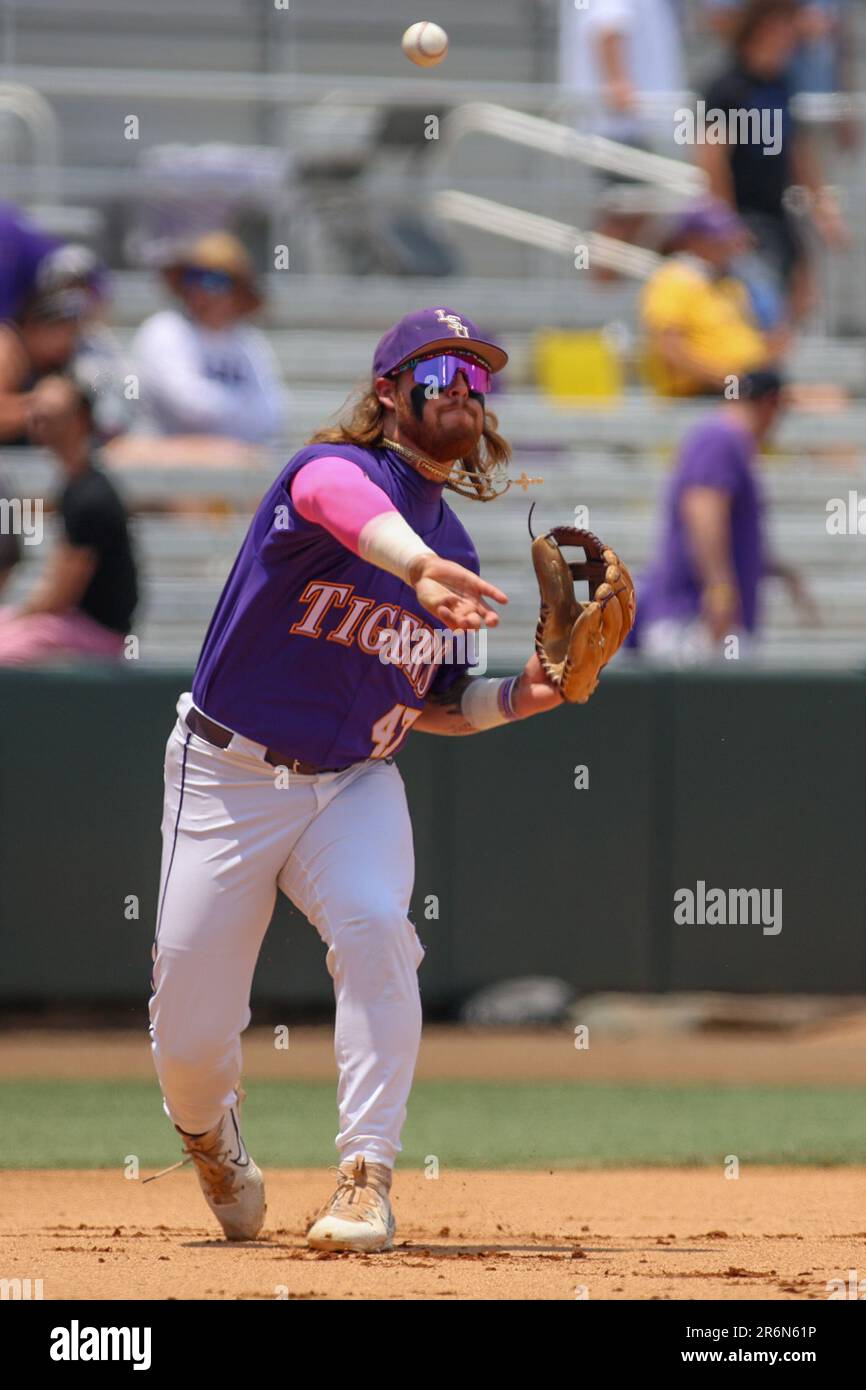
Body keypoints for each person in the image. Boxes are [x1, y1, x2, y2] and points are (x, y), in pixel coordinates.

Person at [148, 307, 585, 1253]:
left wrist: (525, 694)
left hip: (351, 783)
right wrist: (414, 564)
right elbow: (349, 510)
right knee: (189, 1034)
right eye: (439, 375)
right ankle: (209, 1135)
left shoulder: (458, 553)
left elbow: (435, 699)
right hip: (226, 774)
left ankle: (366, 1176)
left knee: (379, 929)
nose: (463, 392)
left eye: (477, 379)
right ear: (387, 394)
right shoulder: (326, 473)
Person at [634, 370, 815, 662]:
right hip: (695, 618)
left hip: (701, 618)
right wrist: (719, 590)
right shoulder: (720, 437)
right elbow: (703, 509)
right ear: (770, 404)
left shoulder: (725, 440)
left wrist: (778, 571)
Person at [699, 0, 849, 323]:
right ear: (764, 30)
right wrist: (726, 221)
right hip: (742, 213)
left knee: (800, 291)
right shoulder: (727, 88)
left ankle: (770, 365)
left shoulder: (781, 85)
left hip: (774, 210)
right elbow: (711, 157)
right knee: (750, 301)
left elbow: (797, 150)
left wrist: (822, 208)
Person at [0, 375, 138, 665]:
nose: (38, 422)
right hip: (72, 624)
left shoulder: (91, 497)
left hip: (99, 635)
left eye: (50, 415)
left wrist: (21, 616)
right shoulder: (76, 485)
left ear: (79, 419)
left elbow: (60, 597)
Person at [121, 232, 286, 463]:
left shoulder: (250, 343)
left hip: (238, 464)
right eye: (193, 277)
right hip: (166, 464)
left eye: (214, 279)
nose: (200, 289)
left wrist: (231, 447)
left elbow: (271, 414)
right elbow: (191, 408)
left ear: (237, 291)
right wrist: (234, 438)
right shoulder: (164, 330)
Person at [558, 0, 688, 262]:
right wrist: (618, 82)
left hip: (631, 126)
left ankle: (608, 292)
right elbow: (608, 25)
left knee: (638, 216)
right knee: (624, 216)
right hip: (621, 128)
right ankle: (602, 296)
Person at [640, 200, 780, 395]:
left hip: (741, 384)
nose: (727, 245)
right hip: (703, 392)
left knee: (827, 397)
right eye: (717, 239)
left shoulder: (727, 282)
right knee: (818, 404)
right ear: (692, 241)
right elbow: (670, 350)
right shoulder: (674, 280)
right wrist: (733, 383)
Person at [0, 286, 90, 444]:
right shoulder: (7, 347)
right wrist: (42, 405)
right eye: (57, 329)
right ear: (32, 327)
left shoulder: (66, 358)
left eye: (71, 331)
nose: (65, 341)